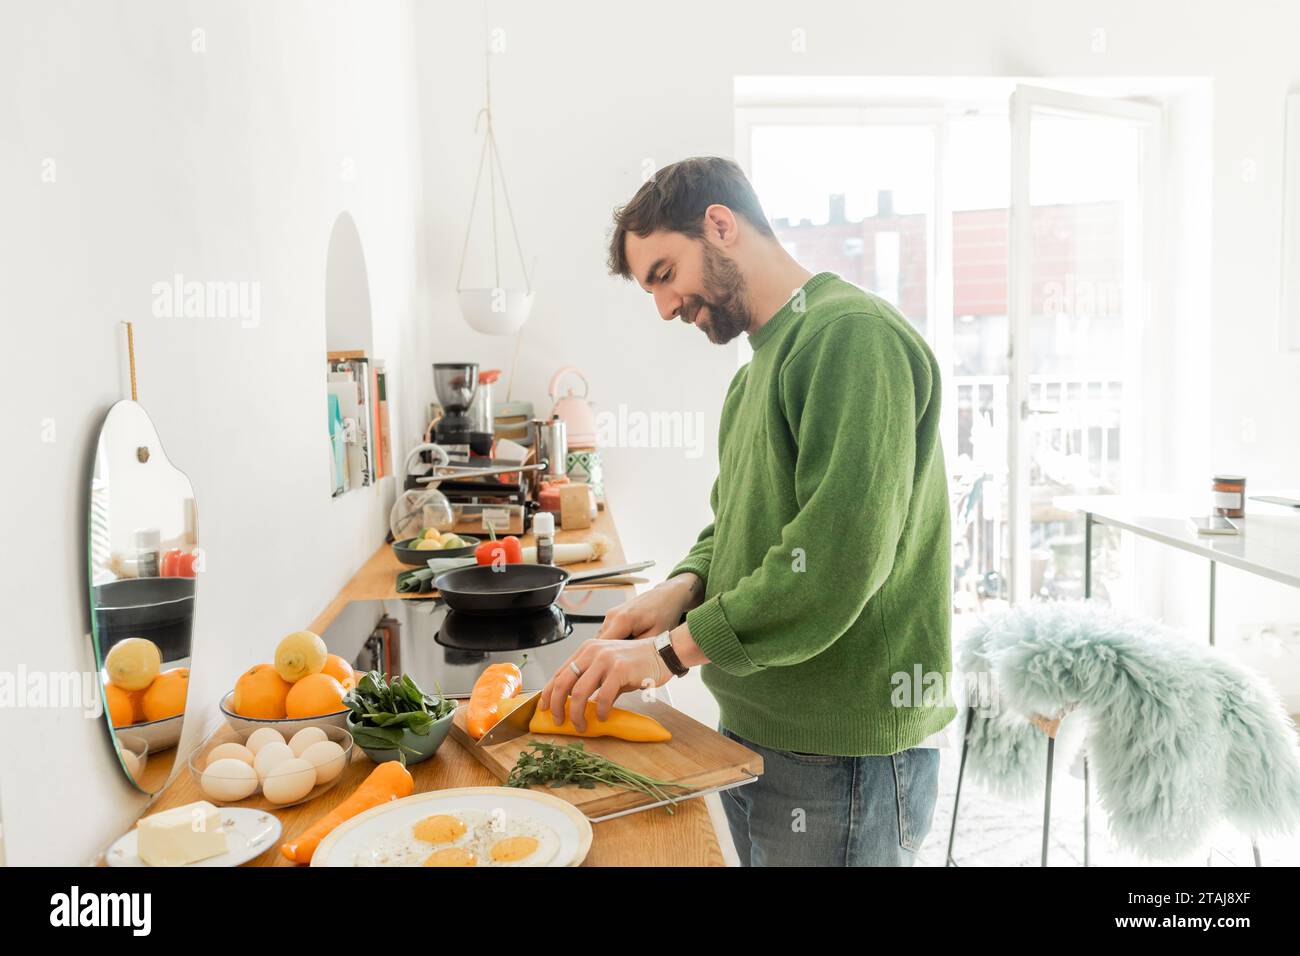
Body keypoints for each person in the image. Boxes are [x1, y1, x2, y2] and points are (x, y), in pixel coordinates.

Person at [538, 156, 954, 866]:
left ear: (721, 225)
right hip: (758, 731)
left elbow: (834, 561)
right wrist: (681, 589)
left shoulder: (850, 336)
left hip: (839, 755)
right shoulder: (758, 371)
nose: (666, 308)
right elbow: (736, 525)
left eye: (665, 274)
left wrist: (668, 655)